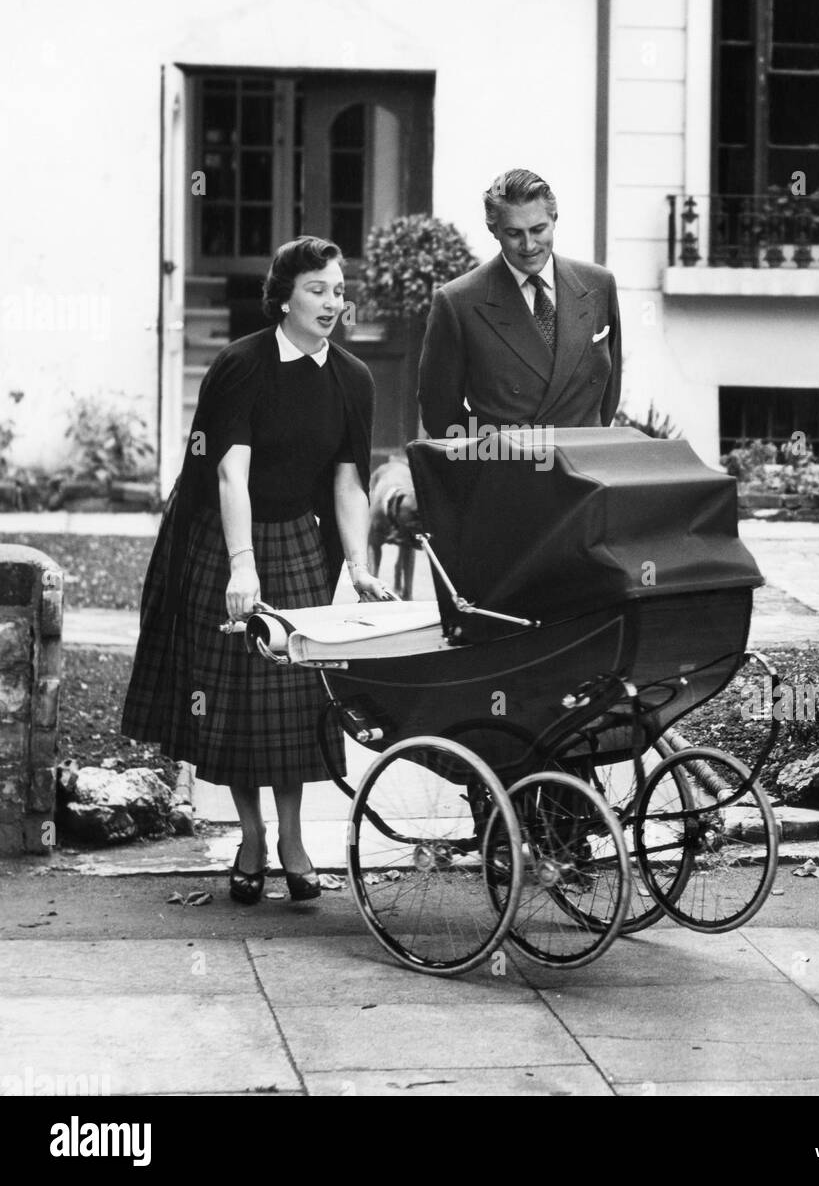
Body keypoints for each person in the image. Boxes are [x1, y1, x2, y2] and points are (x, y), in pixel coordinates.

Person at [121, 236, 387, 905]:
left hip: (298, 536)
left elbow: (349, 484)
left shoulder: (353, 379)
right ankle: (250, 838)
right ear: (284, 297)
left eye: (338, 288)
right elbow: (229, 473)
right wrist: (242, 567)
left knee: (294, 699)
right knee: (239, 700)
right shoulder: (243, 366)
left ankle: (294, 839)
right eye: (316, 290)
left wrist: (358, 564)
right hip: (226, 537)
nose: (332, 302)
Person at [417, 169, 622, 438]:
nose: (528, 245)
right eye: (514, 233)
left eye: (538, 230)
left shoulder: (598, 284)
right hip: (509, 472)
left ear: (554, 219)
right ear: (494, 230)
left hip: (584, 465)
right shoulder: (457, 302)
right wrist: (495, 454)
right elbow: (438, 411)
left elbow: (608, 395)